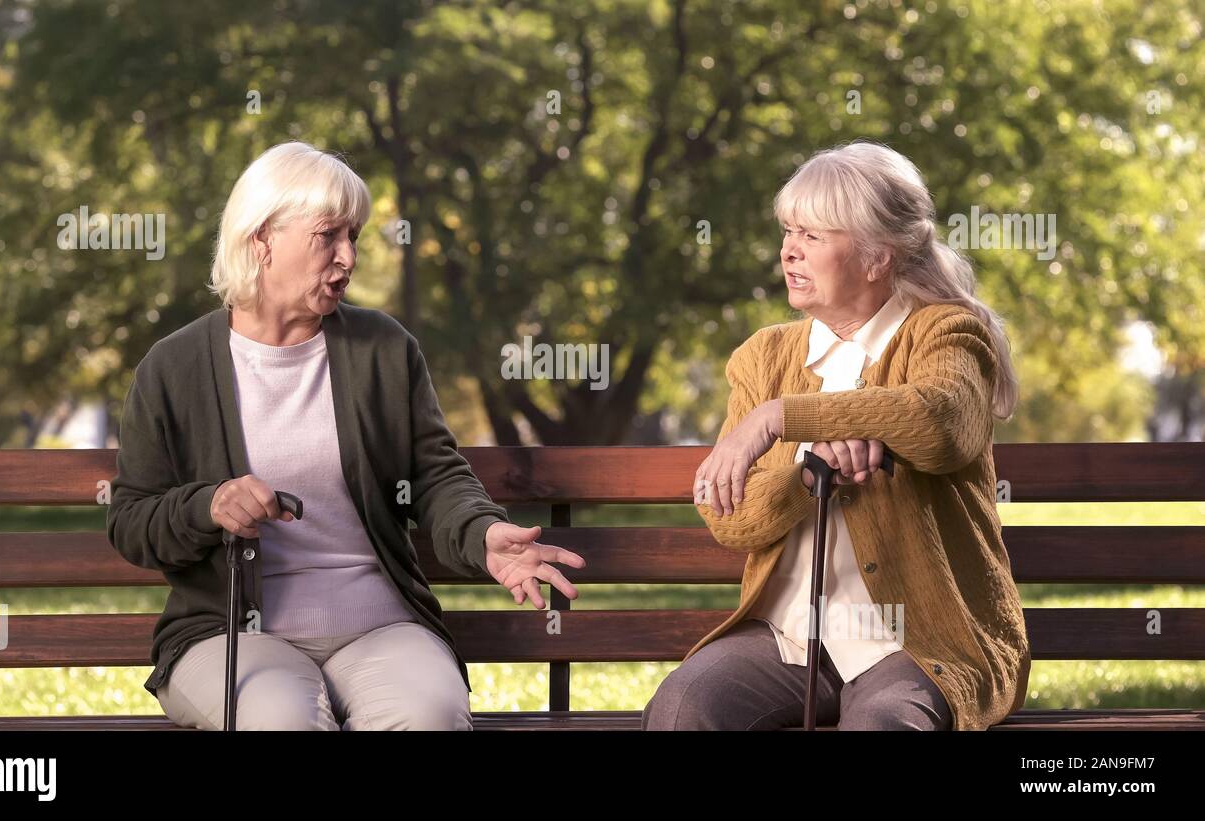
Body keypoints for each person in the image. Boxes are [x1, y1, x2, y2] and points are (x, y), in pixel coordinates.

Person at [107, 141, 585, 730]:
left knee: (428, 717)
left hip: (380, 626)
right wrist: (207, 505)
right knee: (283, 722)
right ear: (262, 241)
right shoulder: (174, 367)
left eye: (353, 237)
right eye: (328, 235)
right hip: (230, 634)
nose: (348, 258)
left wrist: (482, 534)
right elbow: (132, 522)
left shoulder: (381, 348)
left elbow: (435, 477)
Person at [643, 141, 1030, 731]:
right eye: (788, 231)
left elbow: (941, 424)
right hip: (787, 638)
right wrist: (806, 475)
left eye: (814, 236)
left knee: (882, 725)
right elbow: (728, 517)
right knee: (681, 707)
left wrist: (781, 418)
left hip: (918, 642)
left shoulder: (947, 331)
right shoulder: (763, 355)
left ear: (877, 257)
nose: (789, 251)